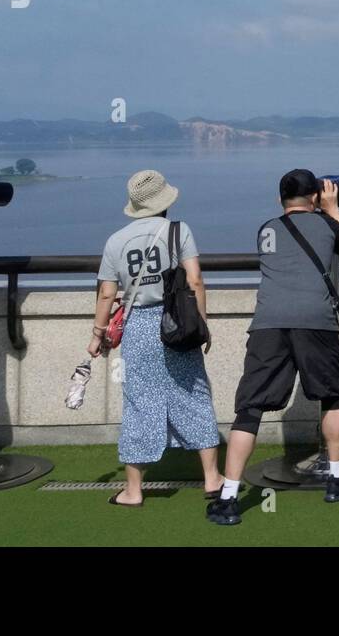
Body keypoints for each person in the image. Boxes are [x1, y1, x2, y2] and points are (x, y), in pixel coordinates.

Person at [207, 170, 339, 526]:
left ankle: (229, 497)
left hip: (268, 323)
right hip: (315, 321)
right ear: (314, 197)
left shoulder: (266, 229)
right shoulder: (326, 225)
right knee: (331, 396)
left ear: (280, 200)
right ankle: (337, 479)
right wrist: (334, 209)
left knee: (249, 408)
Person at [92, 170, 221, 507]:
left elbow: (107, 294)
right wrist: (202, 325)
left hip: (137, 329)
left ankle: (134, 490)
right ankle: (212, 478)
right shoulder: (179, 231)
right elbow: (195, 280)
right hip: (176, 324)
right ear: (166, 201)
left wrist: (97, 333)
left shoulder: (115, 241)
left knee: (138, 403)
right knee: (193, 394)